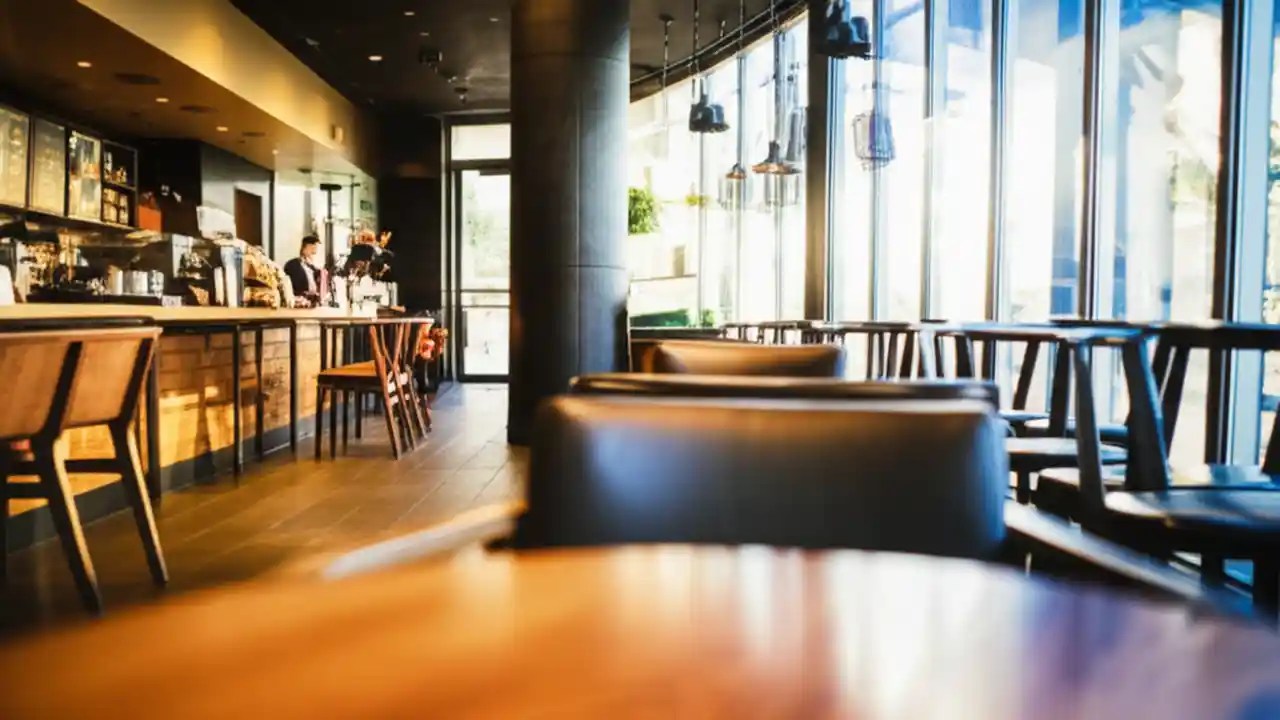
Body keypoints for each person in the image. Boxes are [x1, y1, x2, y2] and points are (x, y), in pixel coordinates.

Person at [283, 236, 322, 304]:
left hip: (314, 301)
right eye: (314, 248)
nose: (316, 251)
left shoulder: (313, 267)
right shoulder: (292, 265)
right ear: (309, 247)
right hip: (301, 301)